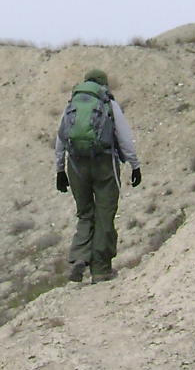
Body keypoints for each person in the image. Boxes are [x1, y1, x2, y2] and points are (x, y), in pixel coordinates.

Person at [55, 68, 141, 283]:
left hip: (76, 166)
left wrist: (59, 171)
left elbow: (60, 139)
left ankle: (79, 258)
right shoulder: (109, 105)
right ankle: (100, 270)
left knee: (85, 213)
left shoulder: (72, 105)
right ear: (105, 85)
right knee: (104, 214)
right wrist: (135, 165)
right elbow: (125, 140)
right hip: (104, 165)